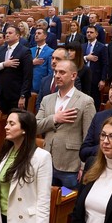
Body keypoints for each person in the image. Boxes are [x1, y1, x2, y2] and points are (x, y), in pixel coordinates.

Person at [36, 58, 95, 190]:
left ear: (73, 75)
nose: (57, 75)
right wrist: (55, 119)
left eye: (62, 72)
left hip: (71, 165)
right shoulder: (47, 99)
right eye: (56, 72)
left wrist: (84, 166)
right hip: (46, 161)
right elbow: (35, 126)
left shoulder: (86, 101)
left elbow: (88, 137)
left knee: (68, 206)